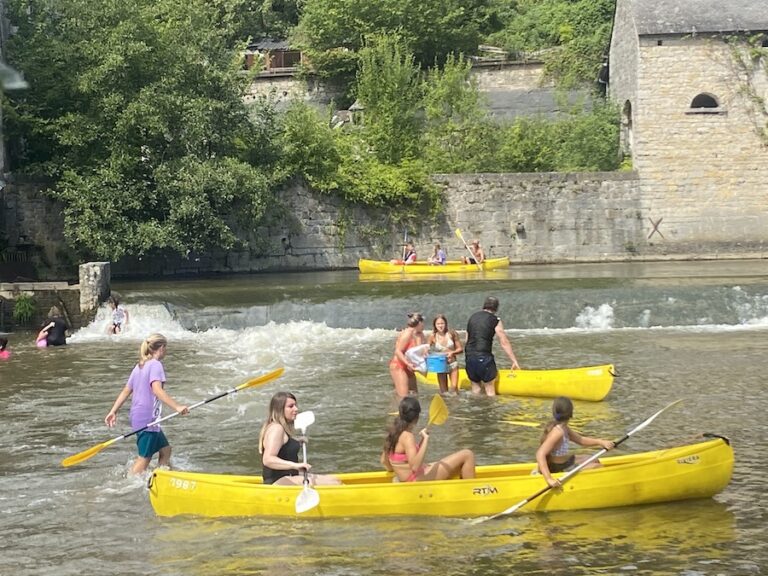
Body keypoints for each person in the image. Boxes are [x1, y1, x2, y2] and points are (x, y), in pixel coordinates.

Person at [104, 333, 189, 474]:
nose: (166, 351)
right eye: (165, 348)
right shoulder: (156, 365)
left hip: (140, 417)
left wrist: (113, 411)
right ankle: (126, 486)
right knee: (144, 458)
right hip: (147, 418)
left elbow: (126, 390)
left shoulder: (140, 366)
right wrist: (177, 407)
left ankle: (160, 477)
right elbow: (157, 390)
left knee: (166, 450)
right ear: (161, 348)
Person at [380, 397, 475, 482]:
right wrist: (425, 440)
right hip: (415, 479)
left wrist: (399, 470)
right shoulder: (407, 437)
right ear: (416, 417)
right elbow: (414, 467)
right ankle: (471, 491)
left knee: (449, 464)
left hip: (409, 477)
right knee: (467, 454)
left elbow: (385, 462)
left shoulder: (392, 433)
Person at [258, 391, 341, 486]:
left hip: (289, 476)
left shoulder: (279, 428)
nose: (296, 409)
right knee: (335, 483)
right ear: (280, 409)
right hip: (278, 482)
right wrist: (296, 466)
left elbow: (283, 445)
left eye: (295, 405)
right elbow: (268, 459)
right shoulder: (277, 428)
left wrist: (296, 441)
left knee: (335, 479)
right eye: (291, 406)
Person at [536, 396, 615, 488]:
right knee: (598, 467)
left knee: (594, 459)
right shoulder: (557, 432)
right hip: (558, 467)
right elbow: (540, 454)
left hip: (565, 462)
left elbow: (581, 440)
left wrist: (601, 442)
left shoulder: (564, 428)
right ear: (571, 413)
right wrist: (549, 479)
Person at [464, 296, 520, 396]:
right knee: (490, 390)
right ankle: (491, 411)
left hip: (470, 356)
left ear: (484, 305)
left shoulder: (473, 317)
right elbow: (504, 341)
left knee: (475, 389)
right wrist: (514, 360)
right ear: (496, 308)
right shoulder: (495, 320)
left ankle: (473, 410)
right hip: (484, 357)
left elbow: (467, 339)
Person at [389, 312, 427, 397]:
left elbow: (422, 351)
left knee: (414, 394)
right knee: (404, 396)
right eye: (423, 322)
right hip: (399, 365)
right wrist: (407, 363)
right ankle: (397, 408)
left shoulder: (421, 334)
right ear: (419, 323)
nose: (424, 325)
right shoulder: (408, 333)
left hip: (410, 367)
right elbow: (398, 351)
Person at [427, 315, 463, 394]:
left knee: (454, 389)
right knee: (444, 392)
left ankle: (455, 404)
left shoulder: (452, 333)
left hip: (452, 364)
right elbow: (426, 349)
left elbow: (460, 349)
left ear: (446, 324)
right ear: (435, 325)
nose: (440, 326)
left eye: (442, 323)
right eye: (438, 324)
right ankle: (446, 405)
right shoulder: (432, 336)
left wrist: (452, 352)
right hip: (440, 365)